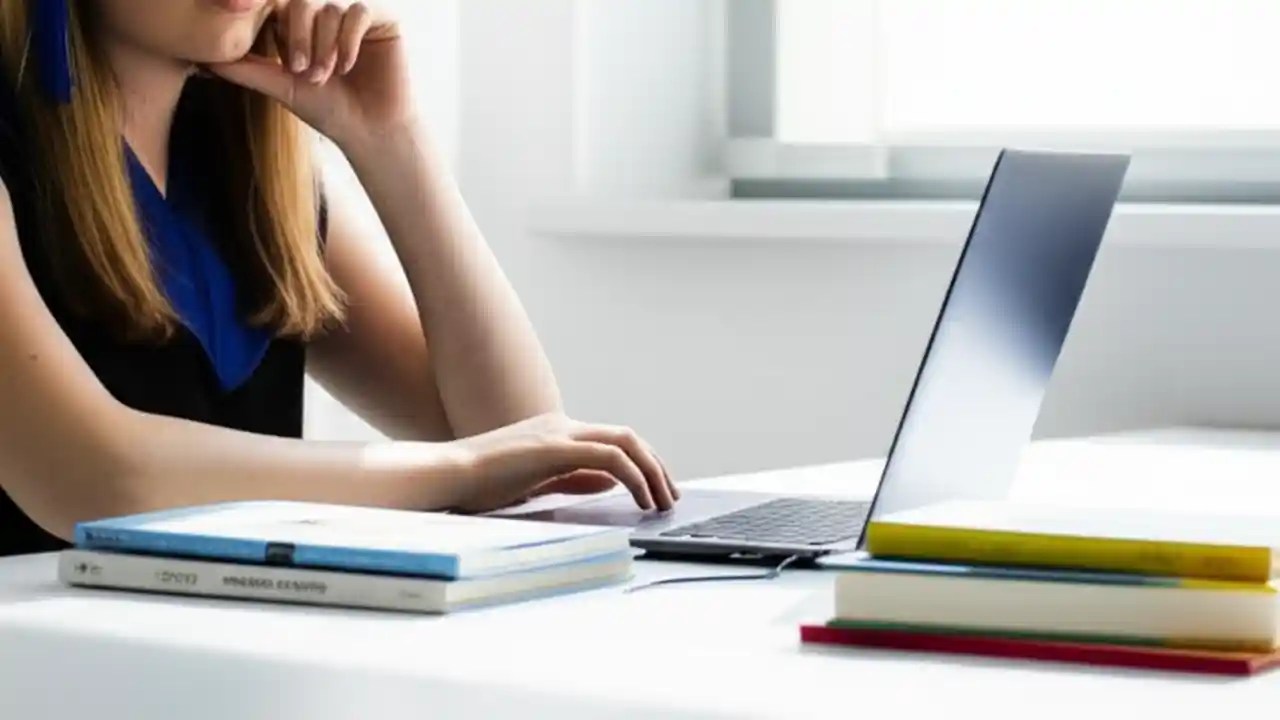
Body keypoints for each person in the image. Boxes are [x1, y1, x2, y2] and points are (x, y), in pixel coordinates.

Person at [0, 0, 677, 557]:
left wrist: (392, 139)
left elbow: (525, 442)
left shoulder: (258, 173)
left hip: (225, 663)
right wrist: (461, 470)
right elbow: (92, 474)